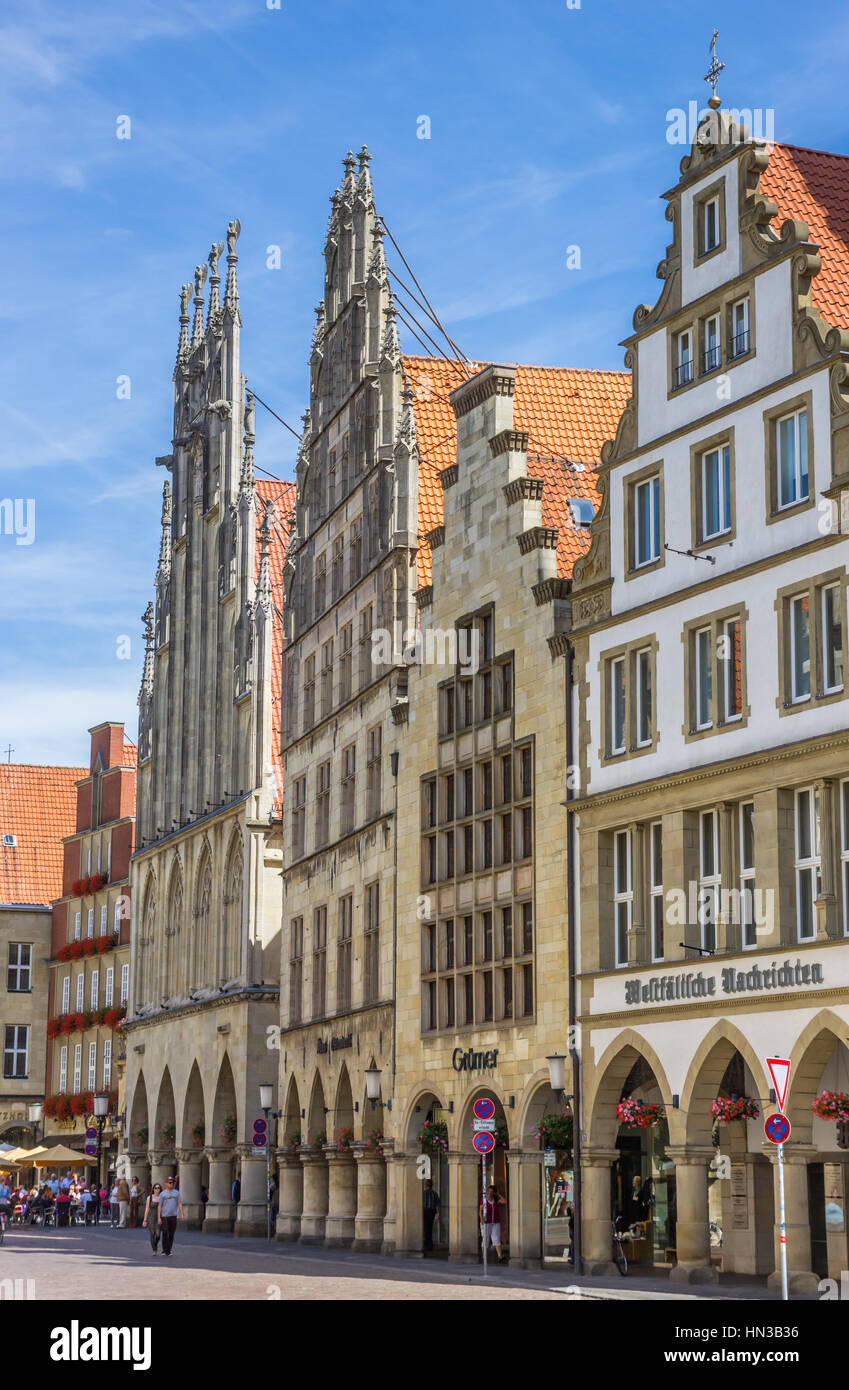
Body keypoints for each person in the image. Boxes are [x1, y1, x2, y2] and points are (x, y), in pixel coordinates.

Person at [157, 1176, 183, 1257]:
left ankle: (169, 1250)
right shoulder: (162, 1194)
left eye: (172, 1182)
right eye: (170, 1182)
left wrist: (181, 1214)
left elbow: (179, 1203)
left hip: (173, 1216)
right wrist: (158, 1217)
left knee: (171, 1233)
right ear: (166, 1184)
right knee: (165, 1232)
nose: (171, 1184)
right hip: (164, 1216)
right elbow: (159, 1206)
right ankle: (164, 1249)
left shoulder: (176, 1193)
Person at [480, 1185, 506, 1264]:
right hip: (486, 1222)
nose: (490, 1193)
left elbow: (504, 1201)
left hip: (495, 1222)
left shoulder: (495, 1199)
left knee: (496, 1239)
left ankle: (500, 1256)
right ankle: (484, 1256)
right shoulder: (483, 1200)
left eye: (492, 1191)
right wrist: (481, 1220)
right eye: (489, 1191)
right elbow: (480, 1210)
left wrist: (497, 1194)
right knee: (486, 1239)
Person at [143, 1183, 162, 1255]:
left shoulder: (161, 1198)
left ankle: (155, 1244)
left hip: (158, 1217)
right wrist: (145, 1220)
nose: (157, 1189)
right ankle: (154, 1250)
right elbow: (147, 1209)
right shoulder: (149, 1197)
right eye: (156, 1188)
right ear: (153, 1189)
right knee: (152, 1233)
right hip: (150, 1217)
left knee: (158, 1235)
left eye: (158, 1188)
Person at [422, 1178, 440, 1252]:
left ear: (426, 1185)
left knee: (426, 1228)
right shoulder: (435, 1193)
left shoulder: (423, 1193)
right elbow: (438, 1205)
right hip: (432, 1212)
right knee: (430, 1228)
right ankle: (430, 1244)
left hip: (425, 1212)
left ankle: (427, 1244)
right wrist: (438, 1214)